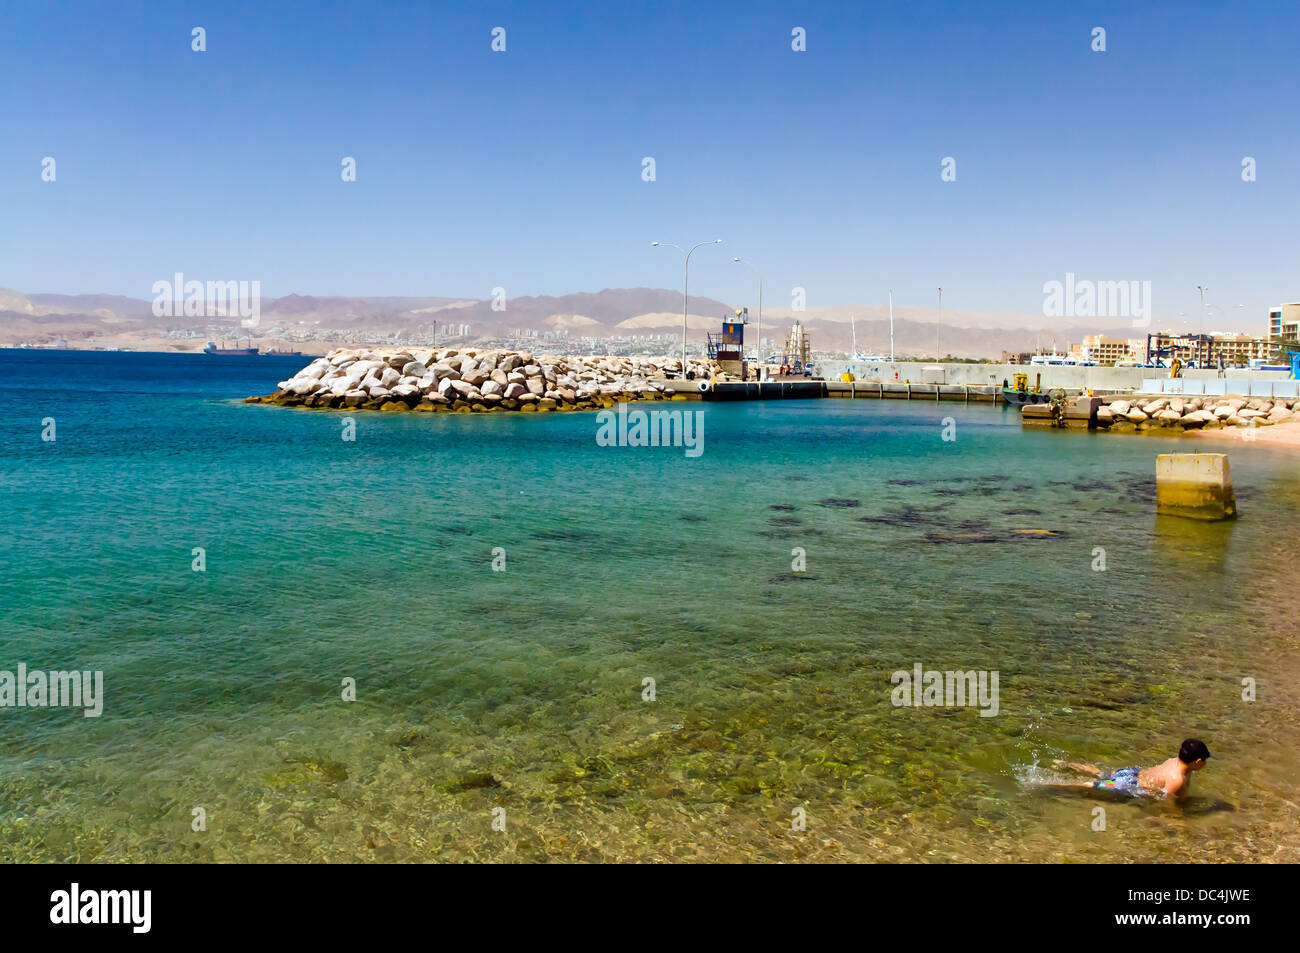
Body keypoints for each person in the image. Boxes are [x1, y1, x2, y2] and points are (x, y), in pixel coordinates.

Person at [1050, 739, 1211, 798]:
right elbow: (1168, 804)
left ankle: (1064, 764)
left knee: (1101, 772)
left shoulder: (1174, 761)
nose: (1205, 764)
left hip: (1131, 772)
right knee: (1094, 785)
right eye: (1205, 761)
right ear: (1197, 761)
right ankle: (1049, 784)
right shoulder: (1177, 779)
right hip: (1130, 784)